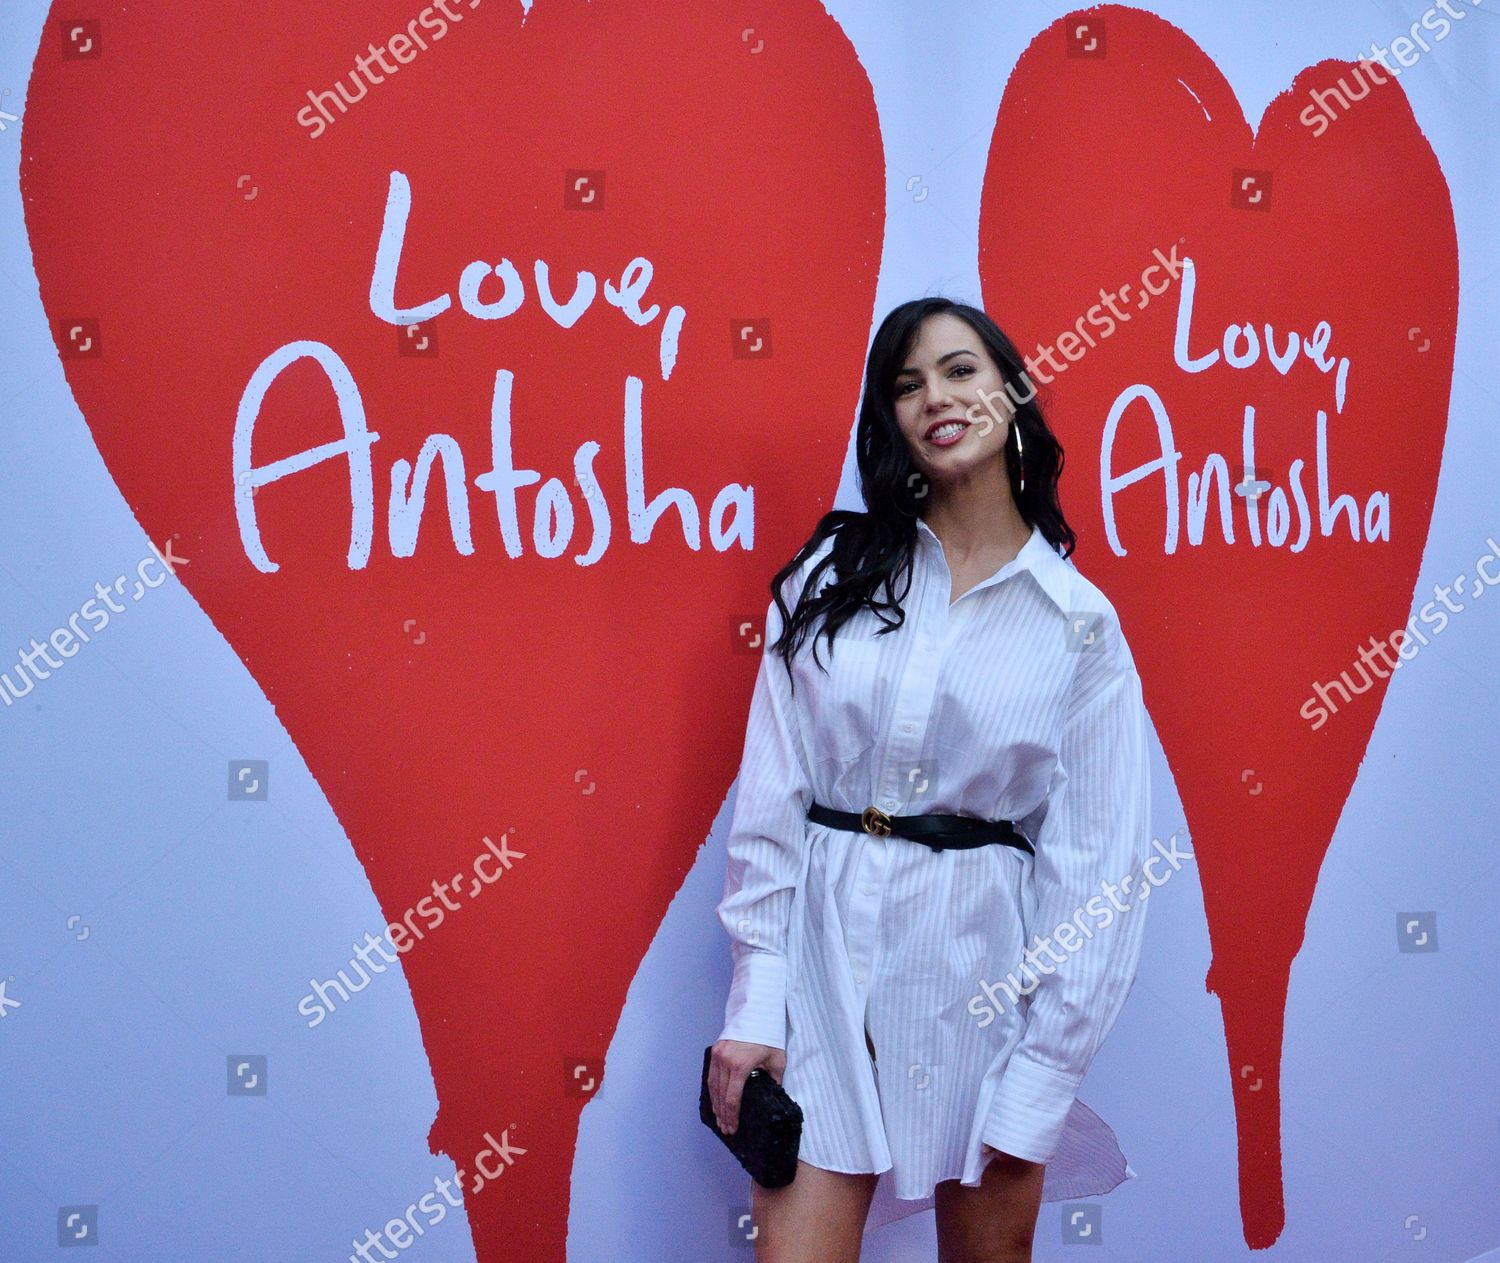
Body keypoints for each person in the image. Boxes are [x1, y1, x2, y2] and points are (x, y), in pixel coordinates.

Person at [705, 298, 1154, 1263]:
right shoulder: (828, 581)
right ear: (888, 420)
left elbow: (1099, 873)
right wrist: (754, 1008)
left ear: (1011, 392)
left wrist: (1043, 1072)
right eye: (905, 385)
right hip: (821, 976)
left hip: (981, 994)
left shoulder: (1077, 624)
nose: (935, 398)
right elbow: (769, 811)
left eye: (958, 370)